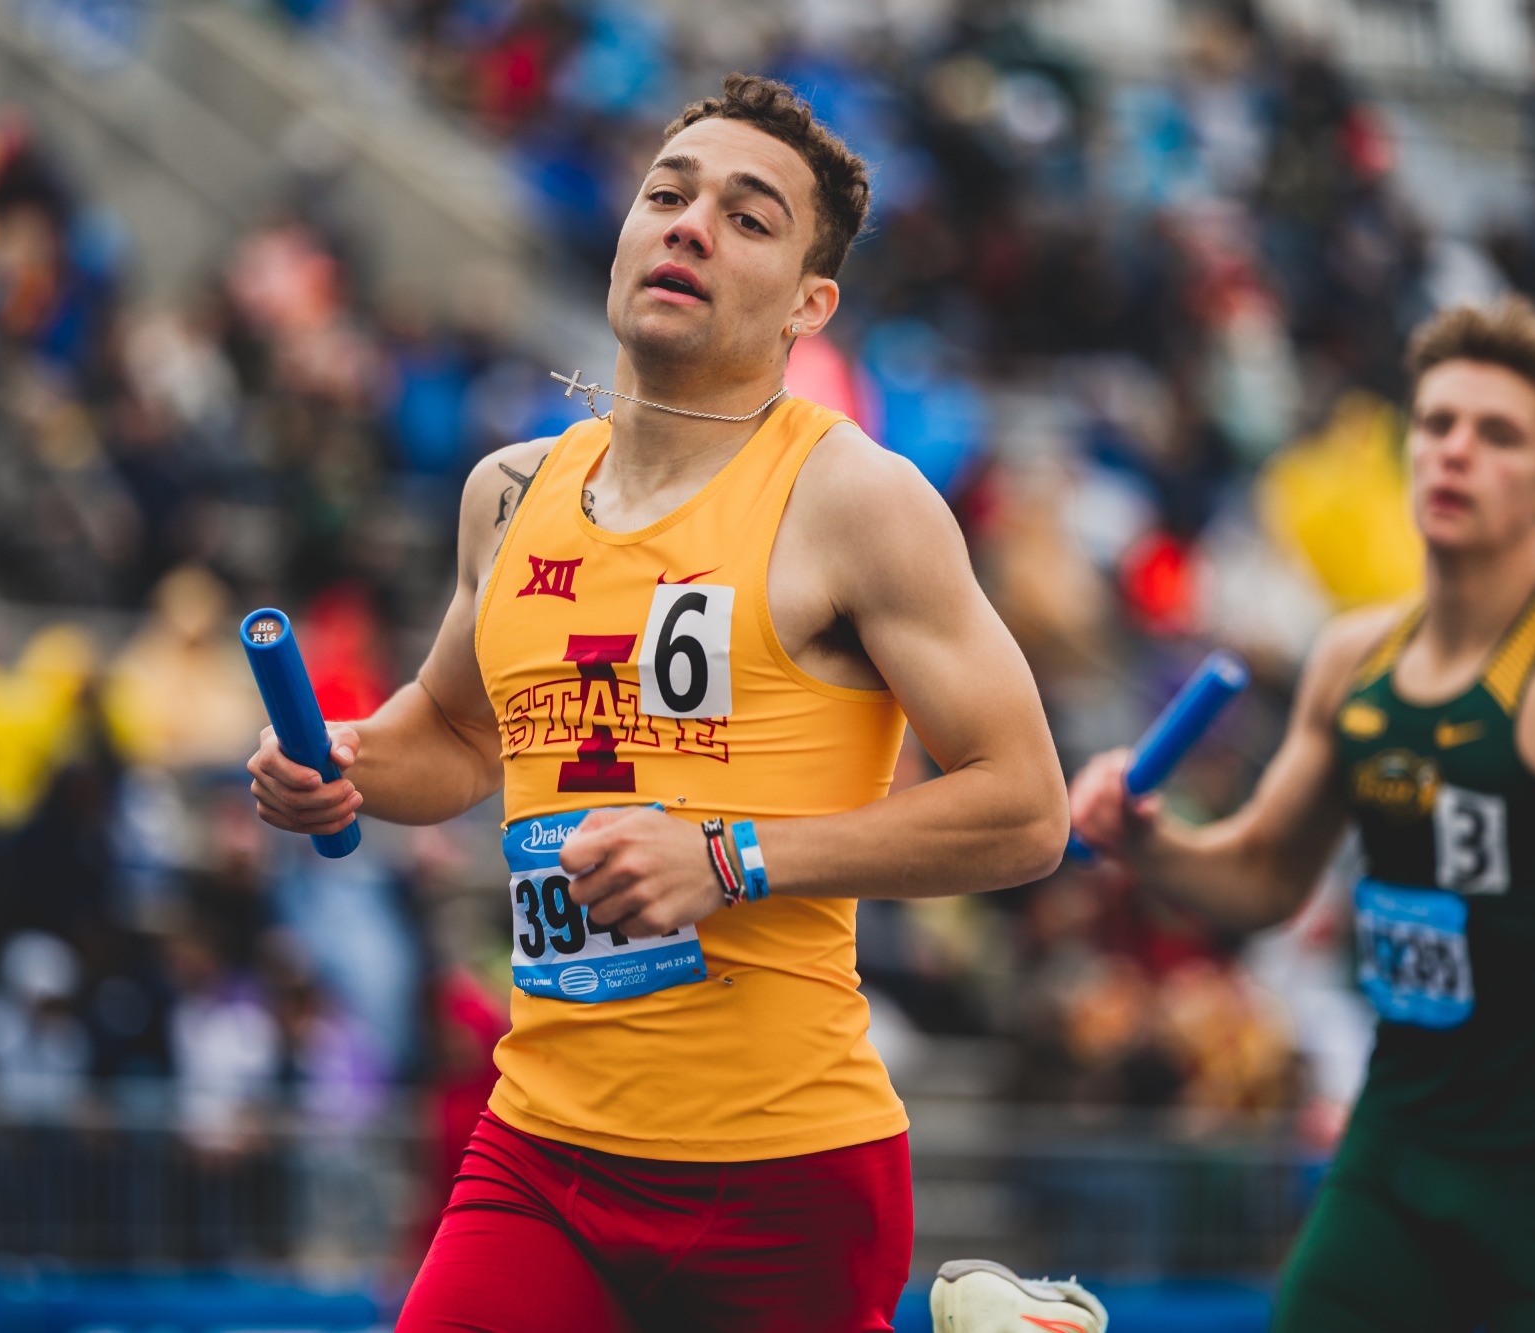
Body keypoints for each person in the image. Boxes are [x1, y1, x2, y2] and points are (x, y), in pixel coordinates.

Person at [249, 73, 1070, 1332]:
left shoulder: (855, 501)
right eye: (667, 196)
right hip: (539, 1148)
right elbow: (455, 735)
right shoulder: (509, 493)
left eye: (747, 218)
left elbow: (1023, 810)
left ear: (809, 303)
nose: (689, 226)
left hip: (779, 1173)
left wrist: (725, 858)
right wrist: (340, 758)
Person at [1047, 297, 1535, 1332]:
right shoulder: (1354, 658)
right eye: (1437, 423)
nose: (1454, 450)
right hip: (1399, 1146)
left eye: (1497, 434)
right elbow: (1264, 875)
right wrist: (1148, 841)